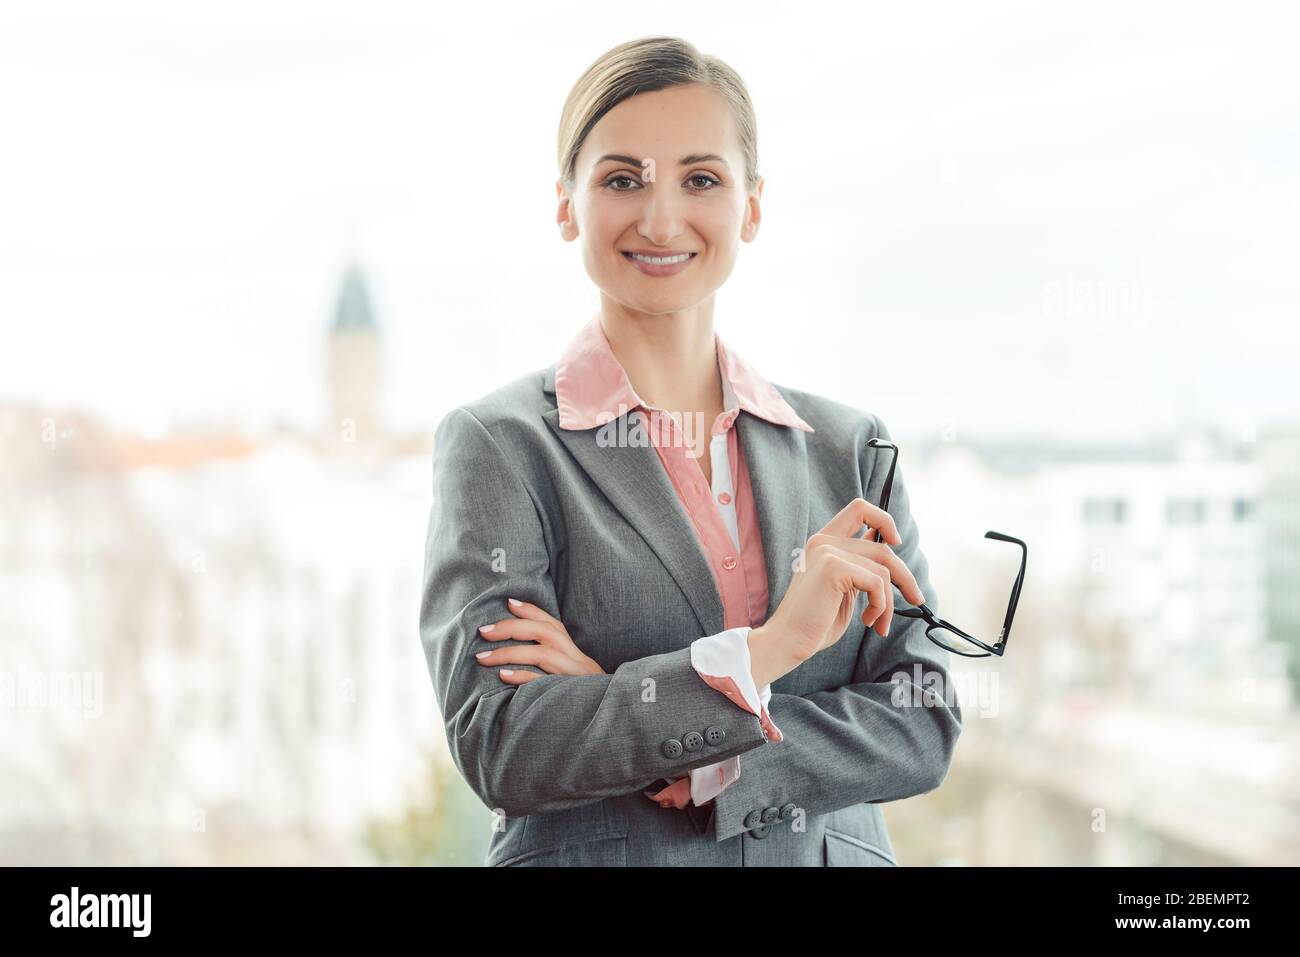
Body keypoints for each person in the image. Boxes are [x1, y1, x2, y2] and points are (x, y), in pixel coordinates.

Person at [418, 35, 962, 866]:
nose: (661, 217)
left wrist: (690, 737)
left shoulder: (852, 450)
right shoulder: (502, 448)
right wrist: (769, 650)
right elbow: (505, 744)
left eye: (700, 178)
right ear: (567, 204)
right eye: (622, 178)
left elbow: (922, 719)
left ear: (750, 205)